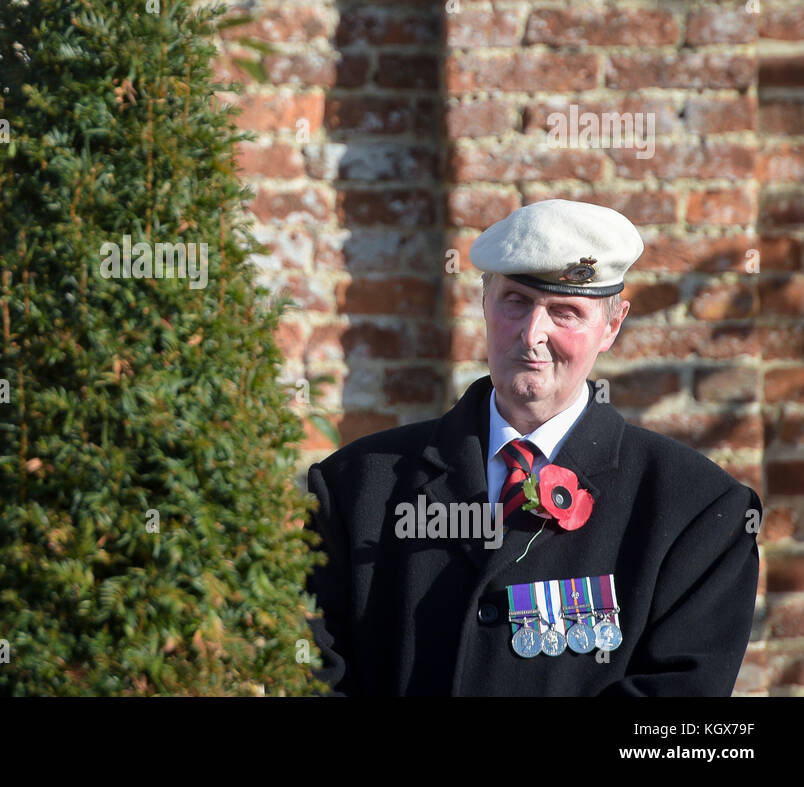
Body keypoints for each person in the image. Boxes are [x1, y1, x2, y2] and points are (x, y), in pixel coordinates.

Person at [307, 199, 761, 695]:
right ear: (484, 302)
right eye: (516, 301)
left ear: (612, 325)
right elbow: (313, 675)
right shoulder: (355, 486)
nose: (532, 334)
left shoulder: (696, 510)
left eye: (565, 312)